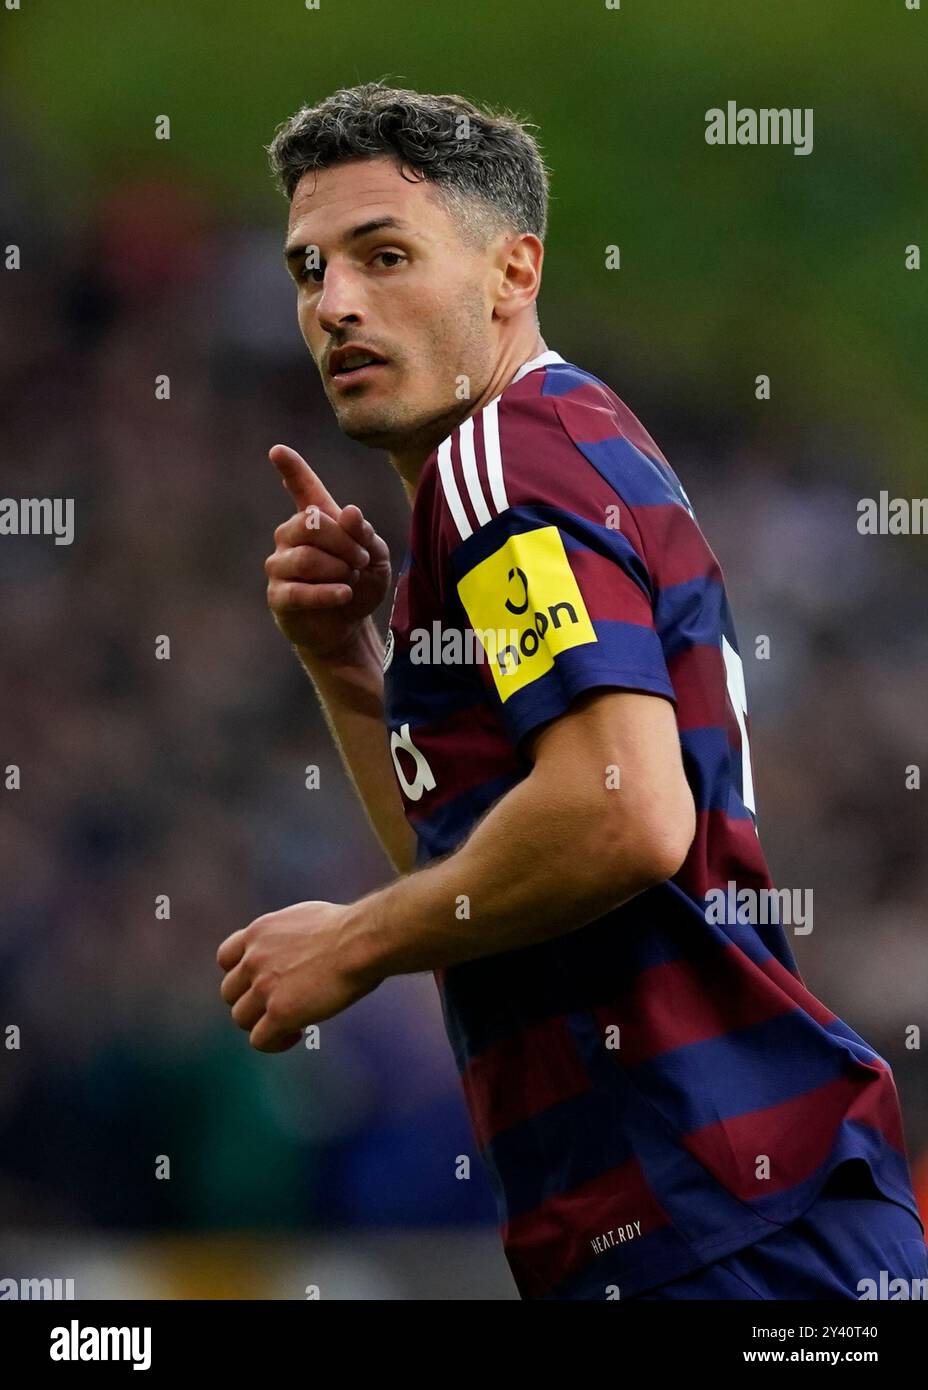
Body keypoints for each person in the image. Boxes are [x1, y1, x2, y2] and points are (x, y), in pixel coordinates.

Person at [217, 83, 927, 1301]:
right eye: (308, 268)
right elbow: (491, 876)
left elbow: (623, 815)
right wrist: (348, 673)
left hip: (714, 1209)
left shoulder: (500, 460)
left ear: (512, 271)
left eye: (385, 257)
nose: (334, 304)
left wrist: (350, 943)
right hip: (726, 1206)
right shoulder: (547, 448)